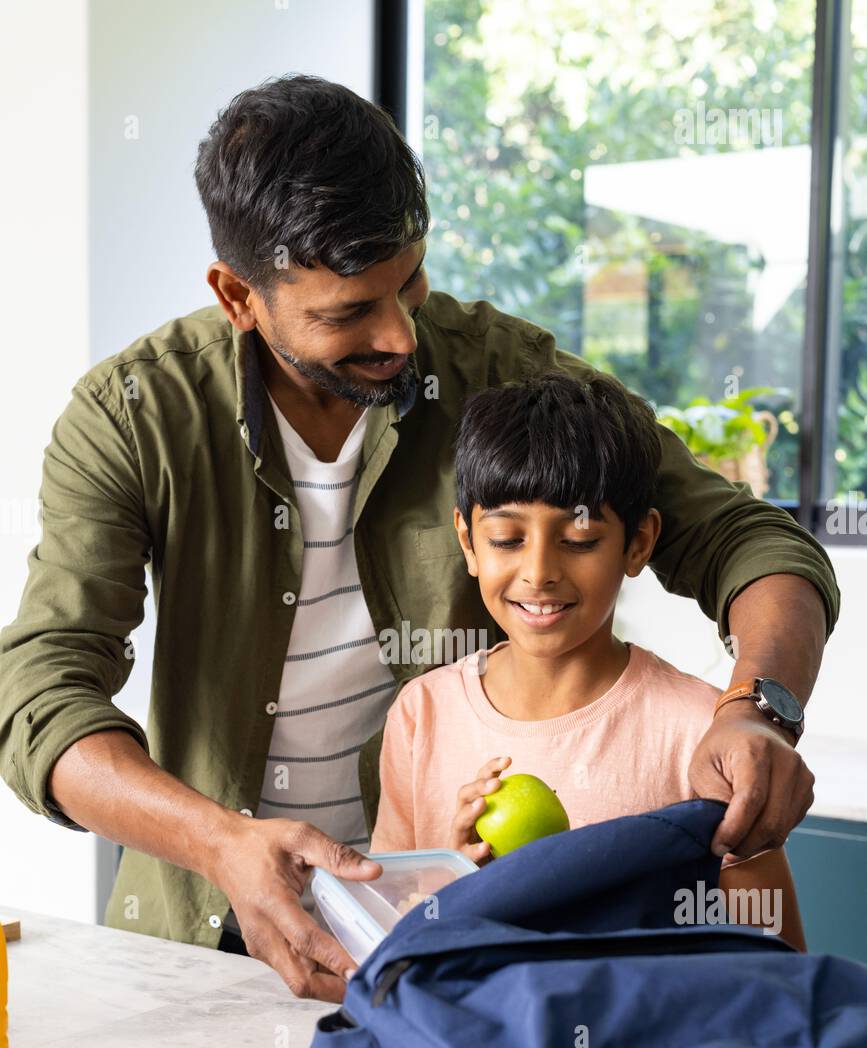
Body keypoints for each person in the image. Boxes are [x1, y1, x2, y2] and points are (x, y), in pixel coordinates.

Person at [0, 75, 831, 997]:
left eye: (411, 282)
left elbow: (751, 543)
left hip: (457, 961)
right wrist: (225, 844)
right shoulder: (135, 415)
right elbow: (40, 695)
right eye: (348, 312)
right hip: (205, 937)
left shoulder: (499, 372)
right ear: (239, 296)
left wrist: (757, 713)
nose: (399, 334)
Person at [370, 373, 807, 951]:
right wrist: (452, 878)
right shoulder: (421, 713)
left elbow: (775, 960)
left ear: (638, 544)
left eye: (578, 541)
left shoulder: (706, 736)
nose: (539, 572)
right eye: (506, 539)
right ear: (468, 543)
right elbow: (385, 935)